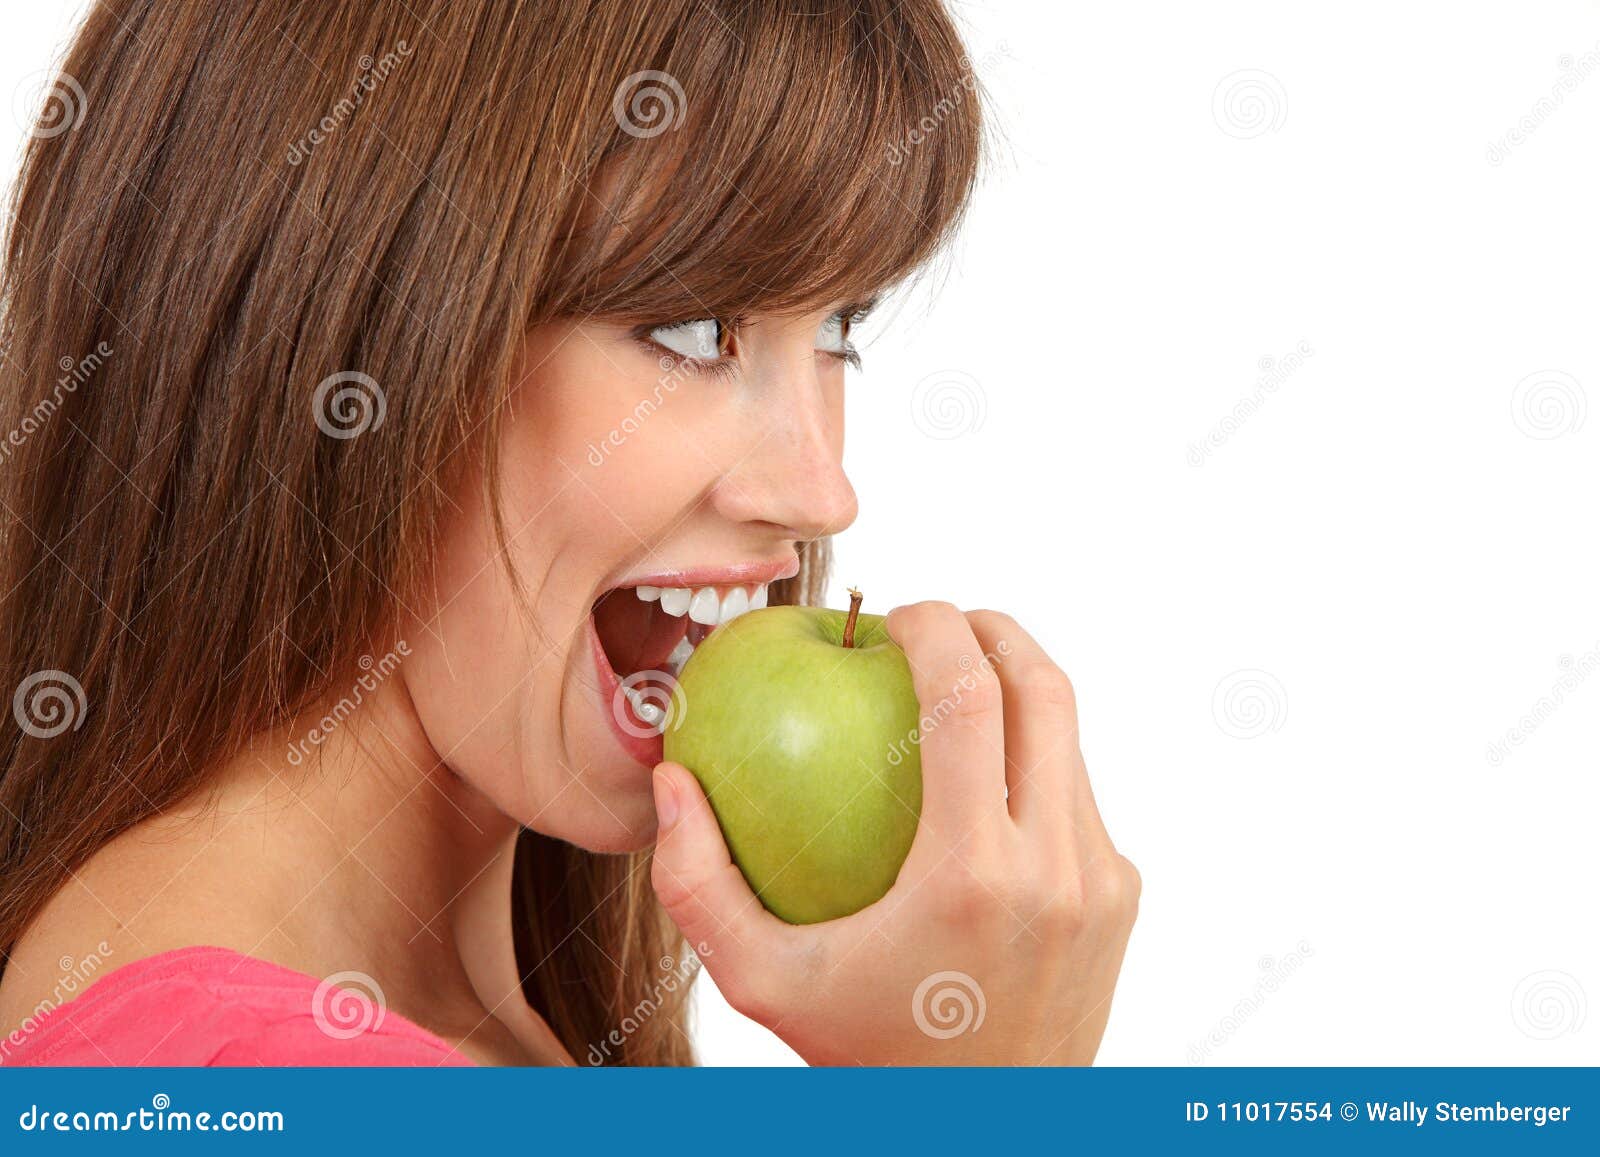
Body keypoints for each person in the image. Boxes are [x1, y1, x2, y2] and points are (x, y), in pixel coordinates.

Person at [0, 0, 1137, 1066]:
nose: (820, 492)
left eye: (839, 327)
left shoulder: (471, 1025)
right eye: (692, 327)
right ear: (344, 330)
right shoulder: (218, 1068)